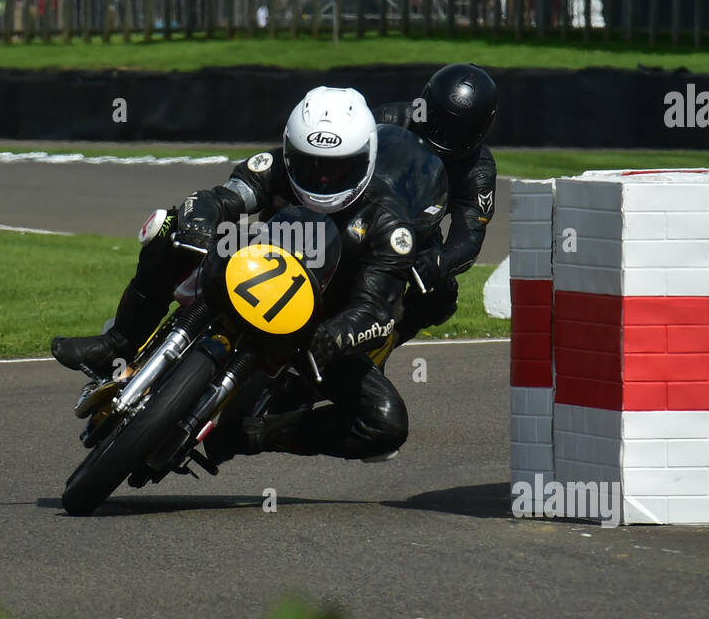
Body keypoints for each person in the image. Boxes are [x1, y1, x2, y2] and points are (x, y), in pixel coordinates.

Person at [51, 87, 417, 462]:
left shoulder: (388, 223)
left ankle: (252, 436)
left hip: (314, 329)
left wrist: (335, 336)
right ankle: (118, 344)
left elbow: (376, 309)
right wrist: (200, 220)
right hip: (248, 269)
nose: (322, 180)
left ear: (367, 159)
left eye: (338, 168)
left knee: (386, 424)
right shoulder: (272, 168)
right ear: (291, 151)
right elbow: (221, 198)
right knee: (168, 228)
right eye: (311, 165)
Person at [371, 63, 498, 356]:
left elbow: (470, 233)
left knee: (441, 295)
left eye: (459, 129)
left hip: (416, 234)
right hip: (359, 210)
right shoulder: (389, 119)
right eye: (439, 120)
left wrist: (439, 262)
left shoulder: (478, 170)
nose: (446, 134)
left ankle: (381, 346)